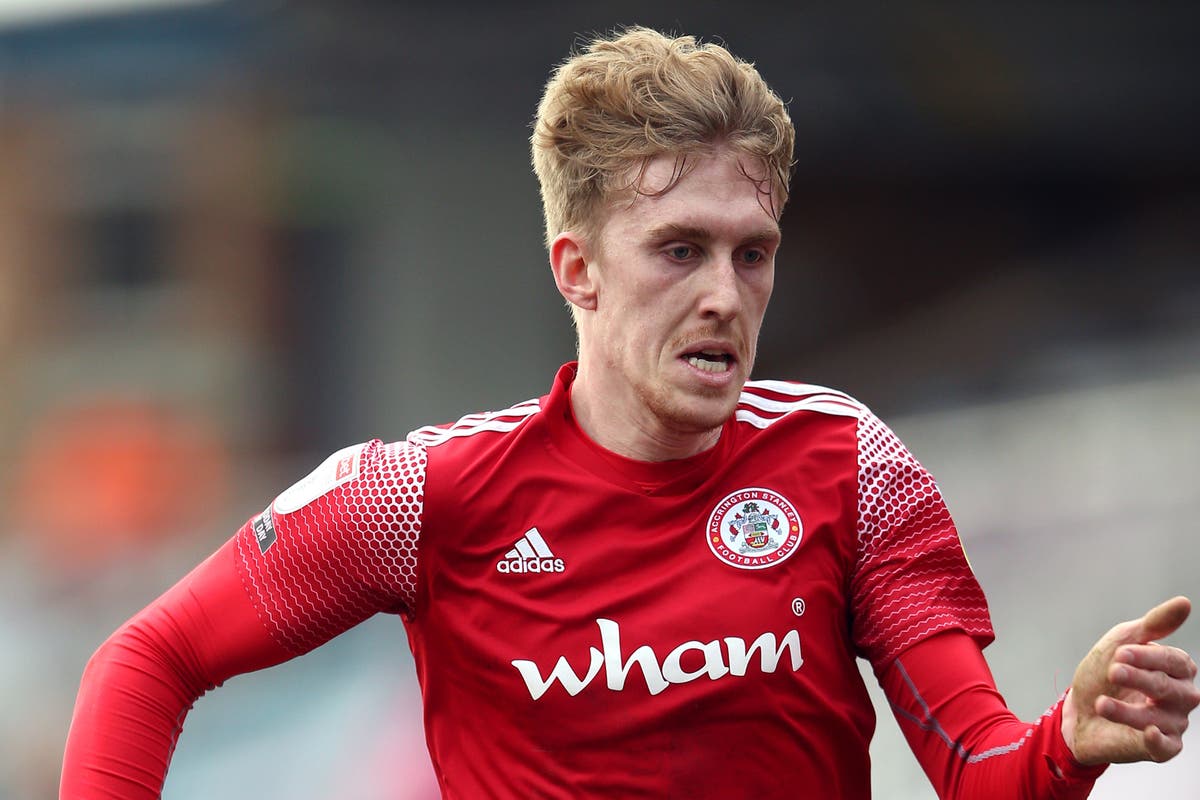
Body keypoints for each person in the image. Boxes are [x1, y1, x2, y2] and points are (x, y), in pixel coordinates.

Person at [61, 26, 1197, 799]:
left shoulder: (853, 465)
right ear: (577, 269)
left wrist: (1068, 741)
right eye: (680, 249)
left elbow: (978, 765)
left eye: (754, 254)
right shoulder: (425, 497)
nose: (725, 293)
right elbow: (145, 657)